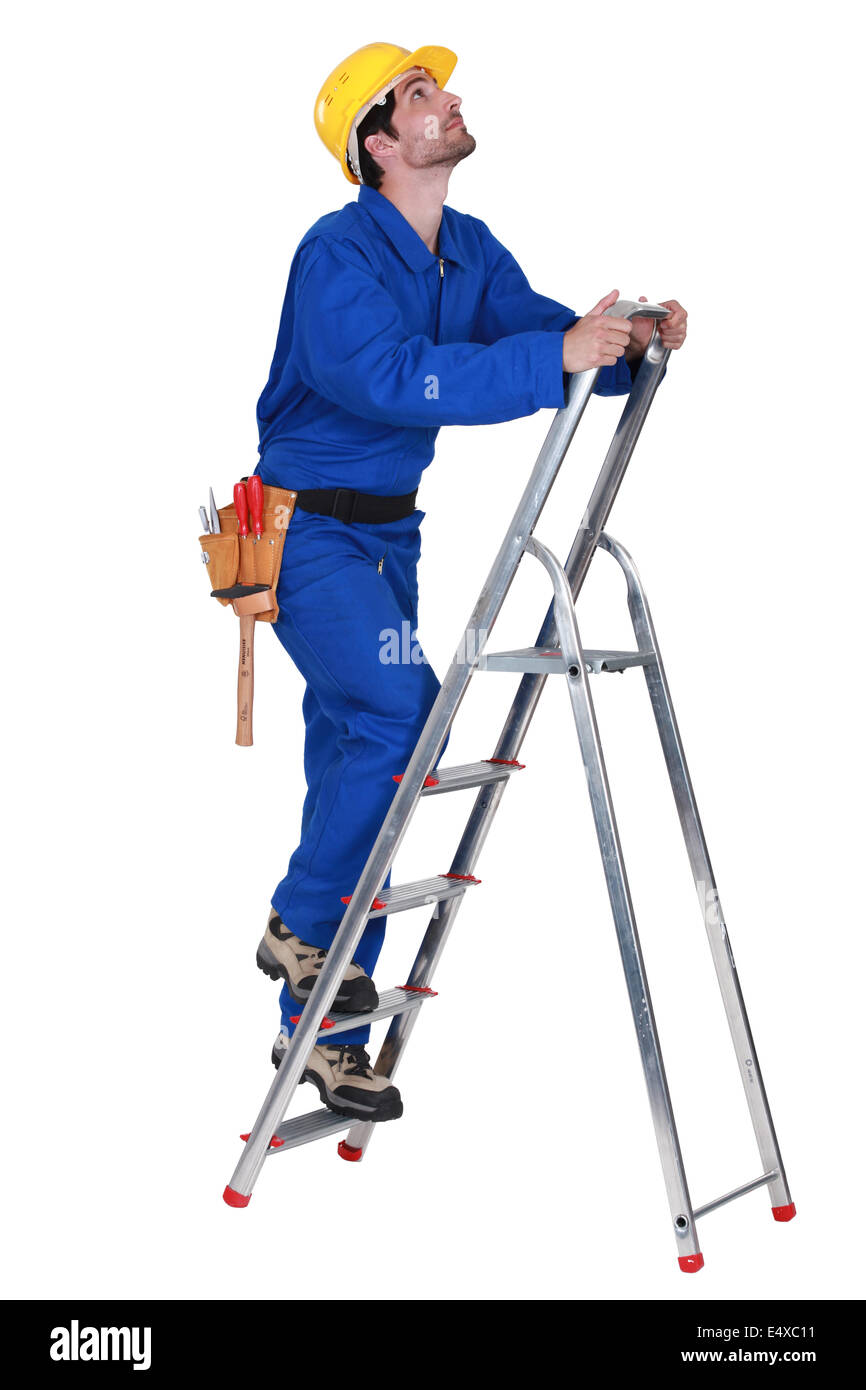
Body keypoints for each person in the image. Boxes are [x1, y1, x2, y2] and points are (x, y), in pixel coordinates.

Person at [252, 41, 688, 1125]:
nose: (448, 100)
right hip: (305, 541)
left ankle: (326, 1032)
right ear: (378, 144)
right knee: (400, 716)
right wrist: (558, 356)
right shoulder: (334, 255)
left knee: (358, 756)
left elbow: (537, 332)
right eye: (419, 96)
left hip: (390, 544)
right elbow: (392, 379)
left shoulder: (466, 251)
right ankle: (300, 927)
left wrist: (629, 340)